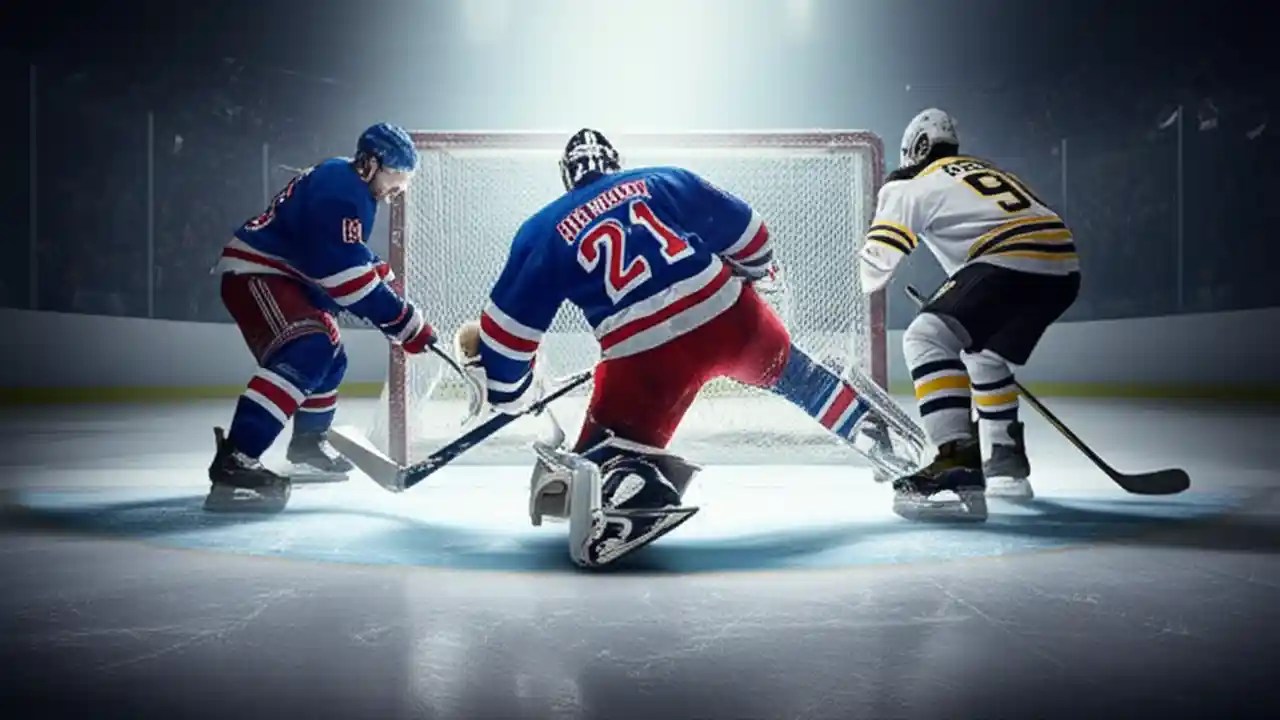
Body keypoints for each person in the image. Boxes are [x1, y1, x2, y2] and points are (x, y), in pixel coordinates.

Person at [453, 128, 925, 567]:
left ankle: (630, 478)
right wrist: (756, 275)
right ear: (616, 163)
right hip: (731, 317)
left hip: (643, 356)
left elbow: (510, 334)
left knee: (599, 458)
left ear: (566, 177)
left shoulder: (543, 228)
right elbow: (753, 236)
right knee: (794, 375)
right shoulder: (663, 179)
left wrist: (509, 390)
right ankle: (871, 429)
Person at [859, 108, 1081, 519]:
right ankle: (1005, 464)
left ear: (916, 149)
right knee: (984, 353)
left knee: (925, 337)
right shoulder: (981, 169)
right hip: (1063, 268)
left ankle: (956, 466)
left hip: (1008, 259)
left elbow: (875, 269)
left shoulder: (910, 183)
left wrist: (884, 205)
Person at [206, 123, 438, 512]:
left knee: (331, 354)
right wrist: (405, 323)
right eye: (395, 176)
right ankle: (237, 460)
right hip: (256, 274)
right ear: (369, 164)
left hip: (281, 275)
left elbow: (336, 253)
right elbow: (342, 278)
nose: (399, 188)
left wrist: (373, 271)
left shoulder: (345, 184)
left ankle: (308, 444)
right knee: (307, 349)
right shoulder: (342, 189)